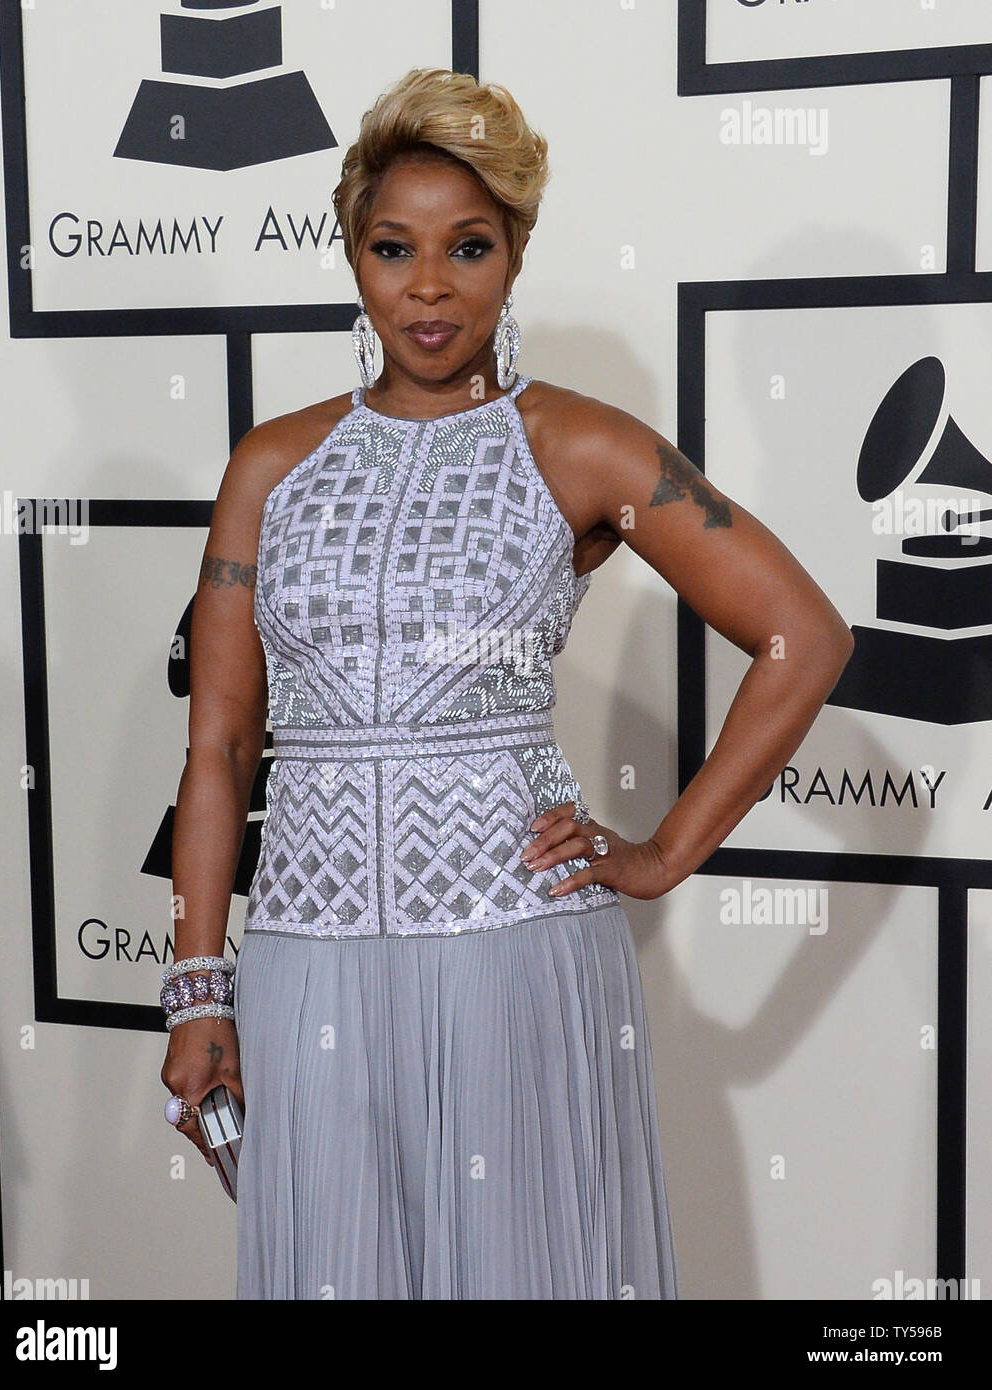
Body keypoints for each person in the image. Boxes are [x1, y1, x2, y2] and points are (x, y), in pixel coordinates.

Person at [160, 67, 854, 1300]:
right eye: (394, 248)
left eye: (468, 246)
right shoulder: (272, 464)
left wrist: (660, 852)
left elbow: (803, 633)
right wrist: (198, 988)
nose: (429, 287)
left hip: (510, 951)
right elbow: (219, 747)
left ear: (516, 252)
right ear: (353, 255)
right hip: (307, 955)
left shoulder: (577, 444)